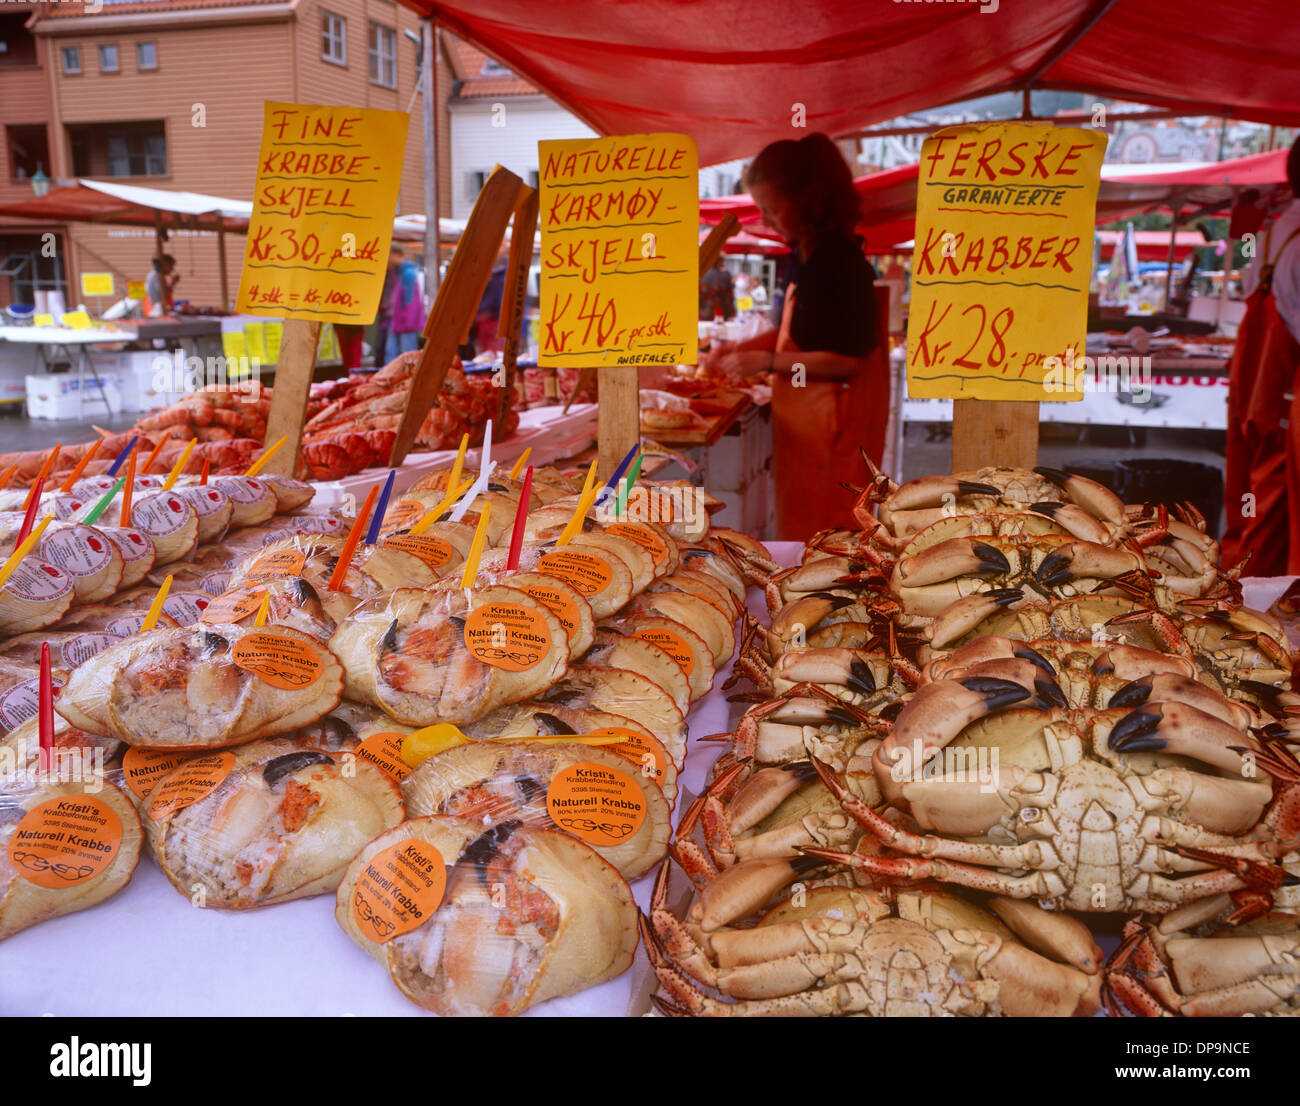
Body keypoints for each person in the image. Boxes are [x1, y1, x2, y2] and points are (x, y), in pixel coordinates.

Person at [700, 133, 883, 540]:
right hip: (807, 432)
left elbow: (845, 360)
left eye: (773, 209)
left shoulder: (839, 261)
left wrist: (765, 362)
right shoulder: (804, 254)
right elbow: (796, 334)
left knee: (831, 540)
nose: (765, 221)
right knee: (805, 535)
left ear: (810, 200)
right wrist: (737, 350)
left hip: (834, 433)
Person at [1222, 136, 1300, 574]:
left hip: (1255, 391)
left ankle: (1242, 582)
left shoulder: (1270, 235)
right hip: (1282, 395)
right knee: (1273, 505)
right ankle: (1261, 606)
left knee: (1251, 497)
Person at [384, 248, 424, 362]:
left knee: (407, 354)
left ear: (396, 255)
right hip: (397, 320)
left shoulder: (408, 274)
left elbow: (411, 300)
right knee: (393, 352)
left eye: (389, 255)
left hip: (405, 321)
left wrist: (408, 321)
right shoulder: (397, 273)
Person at [373, 246, 402, 367]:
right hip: (387, 314)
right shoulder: (389, 273)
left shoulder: (401, 274)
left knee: (391, 348)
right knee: (386, 347)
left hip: (393, 315)